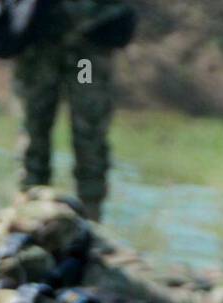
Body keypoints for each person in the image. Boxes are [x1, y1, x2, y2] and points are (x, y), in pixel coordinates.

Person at [14, 3, 135, 221]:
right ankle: (28, 216)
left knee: (88, 127)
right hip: (40, 41)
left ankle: (90, 221)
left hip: (86, 51)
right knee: (34, 129)